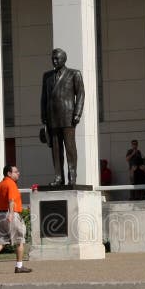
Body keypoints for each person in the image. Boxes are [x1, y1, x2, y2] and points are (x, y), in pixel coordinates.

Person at [40, 48, 84, 186]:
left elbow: (81, 94)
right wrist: (43, 115)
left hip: (68, 116)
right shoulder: (47, 76)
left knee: (70, 148)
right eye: (53, 59)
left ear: (64, 59)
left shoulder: (74, 74)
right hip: (52, 117)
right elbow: (44, 97)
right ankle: (59, 177)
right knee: (56, 149)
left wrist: (77, 113)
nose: (54, 61)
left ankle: (72, 177)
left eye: (57, 58)